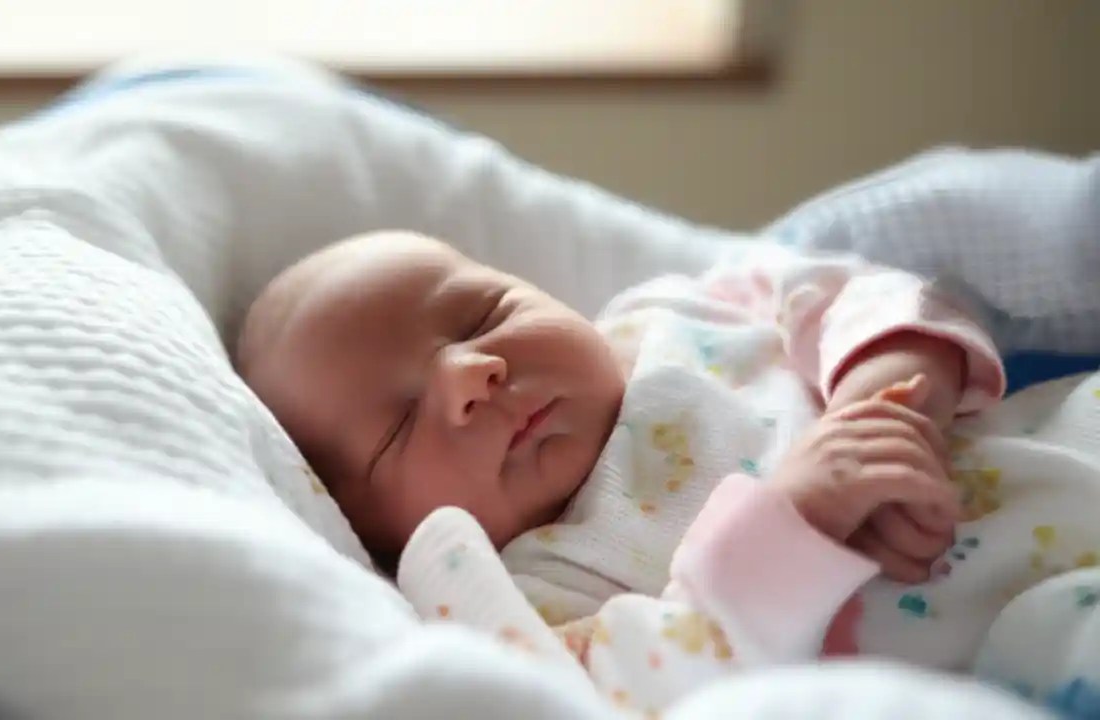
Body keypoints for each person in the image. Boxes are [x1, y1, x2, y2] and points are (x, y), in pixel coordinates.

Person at [238, 230, 1100, 716]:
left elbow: (855, 289)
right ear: (372, 534)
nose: (473, 373)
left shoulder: (670, 314)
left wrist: (885, 398)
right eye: (398, 426)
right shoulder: (534, 594)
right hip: (1033, 645)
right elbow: (644, 694)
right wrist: (787, 527)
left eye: (481, 315)